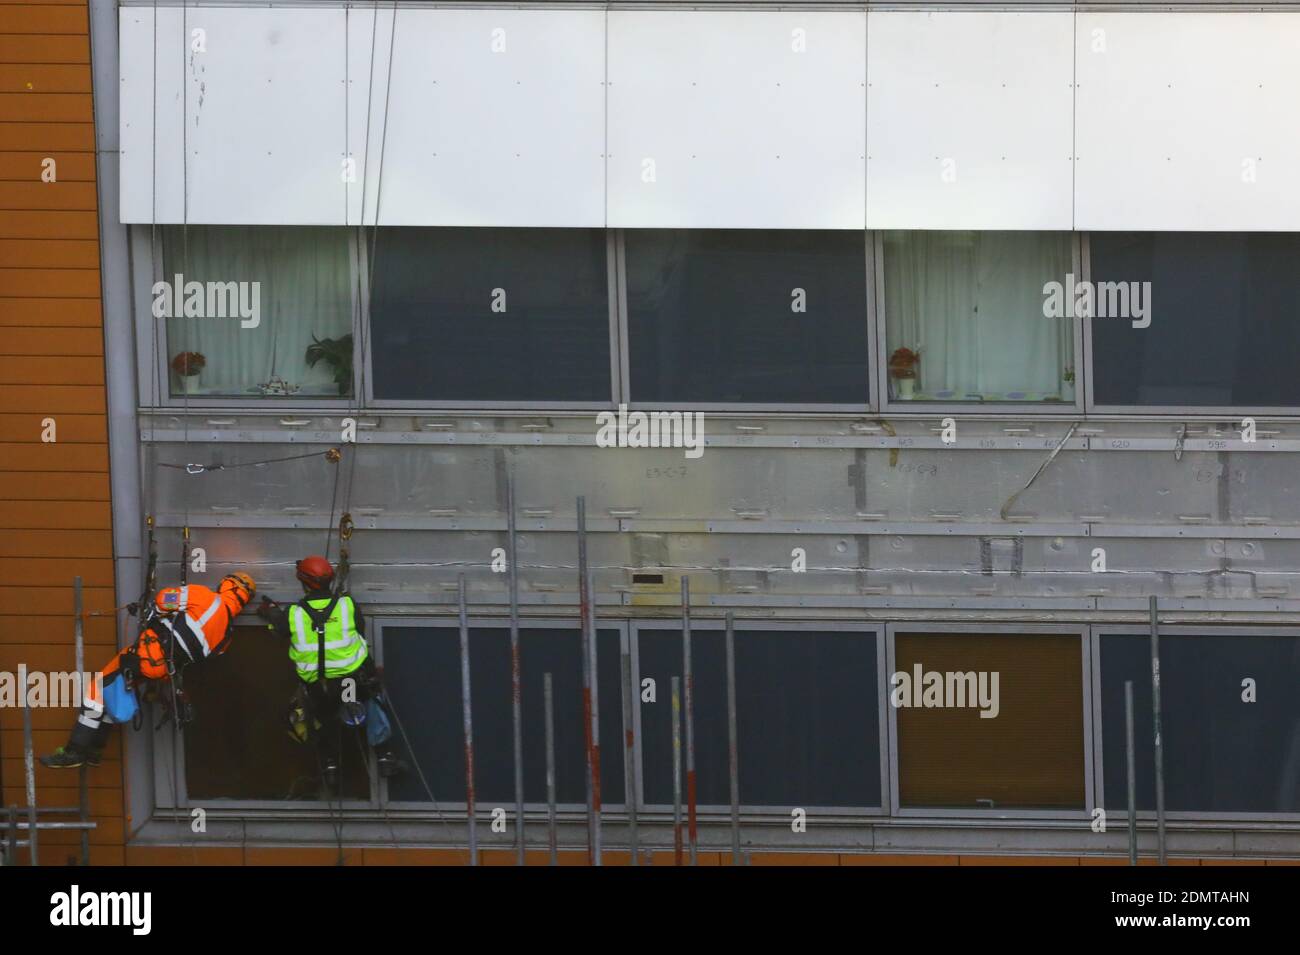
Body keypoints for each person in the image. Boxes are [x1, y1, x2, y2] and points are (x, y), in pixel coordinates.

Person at [42, 573, 256, 769]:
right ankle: (95, 750)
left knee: (98, 689)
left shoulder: (205, 596)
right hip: (164, 671)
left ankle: (74, 751)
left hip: (145, 656)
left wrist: (159, 612)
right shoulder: (227, 636)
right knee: (112, 693)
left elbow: (166, 599)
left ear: (226, 585)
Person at [258, 555, 407, 787]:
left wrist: (269, 611)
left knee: (323, 719)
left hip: (319, 687)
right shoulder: (347, 605)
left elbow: (278, 627)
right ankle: (385, 758)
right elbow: (360, 629)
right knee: (371, 703)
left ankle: (330, 769)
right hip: (351, 682)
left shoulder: (294, 614)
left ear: (304, 582)